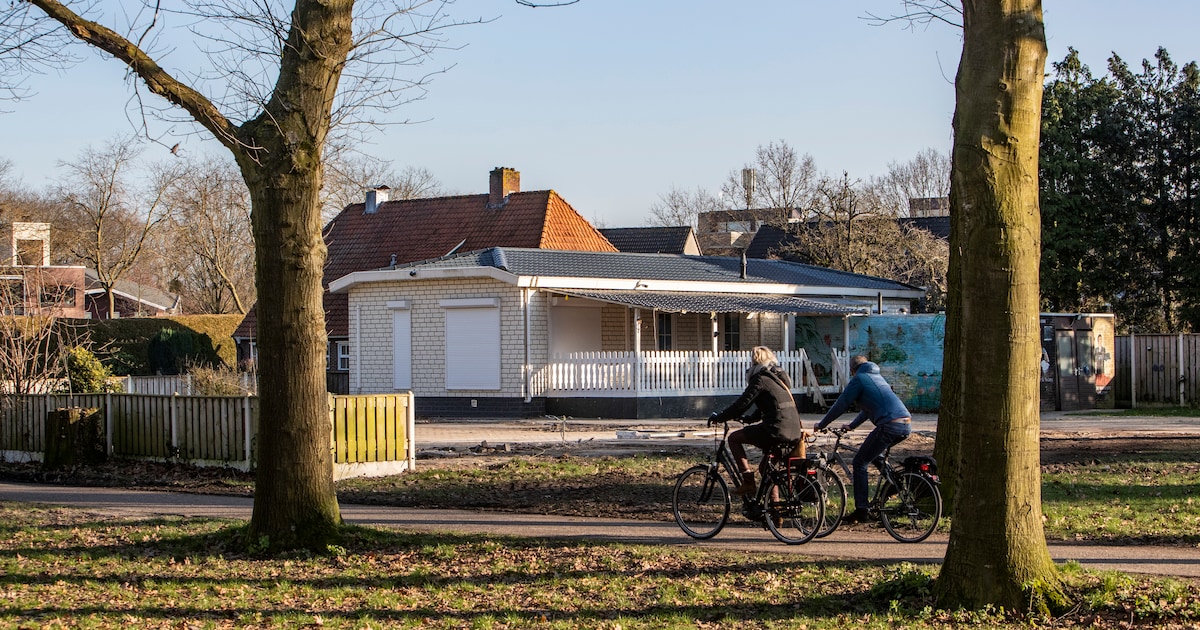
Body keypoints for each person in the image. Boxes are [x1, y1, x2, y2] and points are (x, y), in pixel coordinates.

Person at [814, 355, 911, 524]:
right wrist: (852, 425)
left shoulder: (859, 379)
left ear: (852, 370)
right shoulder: (877, 378)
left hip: (889, 425)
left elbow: (841, 404)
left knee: (859, 462)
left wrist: (822, 424)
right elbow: (868, 409)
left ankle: (861, 510)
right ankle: (894, 482)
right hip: (905, 424)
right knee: (872, 453)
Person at [708, 346, 804, 496]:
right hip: (794, 432)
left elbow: (741, 404)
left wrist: (719, 417)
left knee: (733, 438)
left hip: (776, 430)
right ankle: (775, 514)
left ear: (755, 361)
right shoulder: (778, 379)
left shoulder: (760, 378)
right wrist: (750, 419)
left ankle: (748, 481)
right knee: (767, 469)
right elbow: (771, 406)